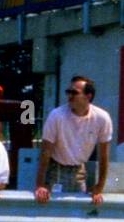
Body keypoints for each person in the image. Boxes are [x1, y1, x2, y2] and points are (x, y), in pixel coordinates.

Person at [34, 76, 112, 205]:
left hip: (79, 171)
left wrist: (99, 187)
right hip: (55, 169)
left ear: (88, 96)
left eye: (74, 92)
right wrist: (40, 184)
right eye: (68, 92)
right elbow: (45, 151)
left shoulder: (102, 118)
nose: (69, 96)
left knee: (77, 211)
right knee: (52, 210)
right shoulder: (57, 115)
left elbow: (104, 155)